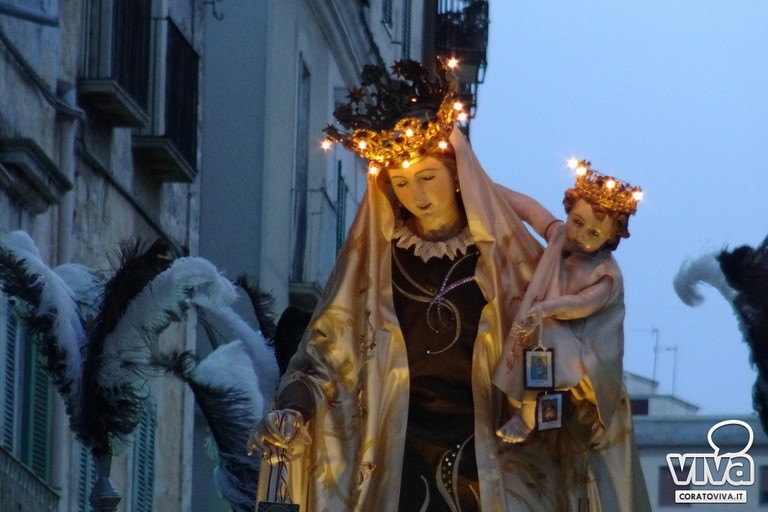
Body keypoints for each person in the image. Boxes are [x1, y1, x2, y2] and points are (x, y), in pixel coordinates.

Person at [249, 58, 560, 511]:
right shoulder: (375, 263)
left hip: (491, 446)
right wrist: (296, 405)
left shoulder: (502, 259)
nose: (417, 194)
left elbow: (551, 340)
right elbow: (327, 357)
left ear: (456, 175)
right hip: (398, 445)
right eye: (401, 182)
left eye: (427, 177)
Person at [493, 159, 652, 511]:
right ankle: (528, 407)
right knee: (539, 341)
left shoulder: (607, 274)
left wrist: (547, 309)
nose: (580, 234)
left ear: (611, 237)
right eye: (576, 222)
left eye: (593, 233)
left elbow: (581, 304)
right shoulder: (559, 240)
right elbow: (530, 211)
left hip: (587, 359)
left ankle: (528, 412)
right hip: (549, 337)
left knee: (551, 342)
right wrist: (484, 187)